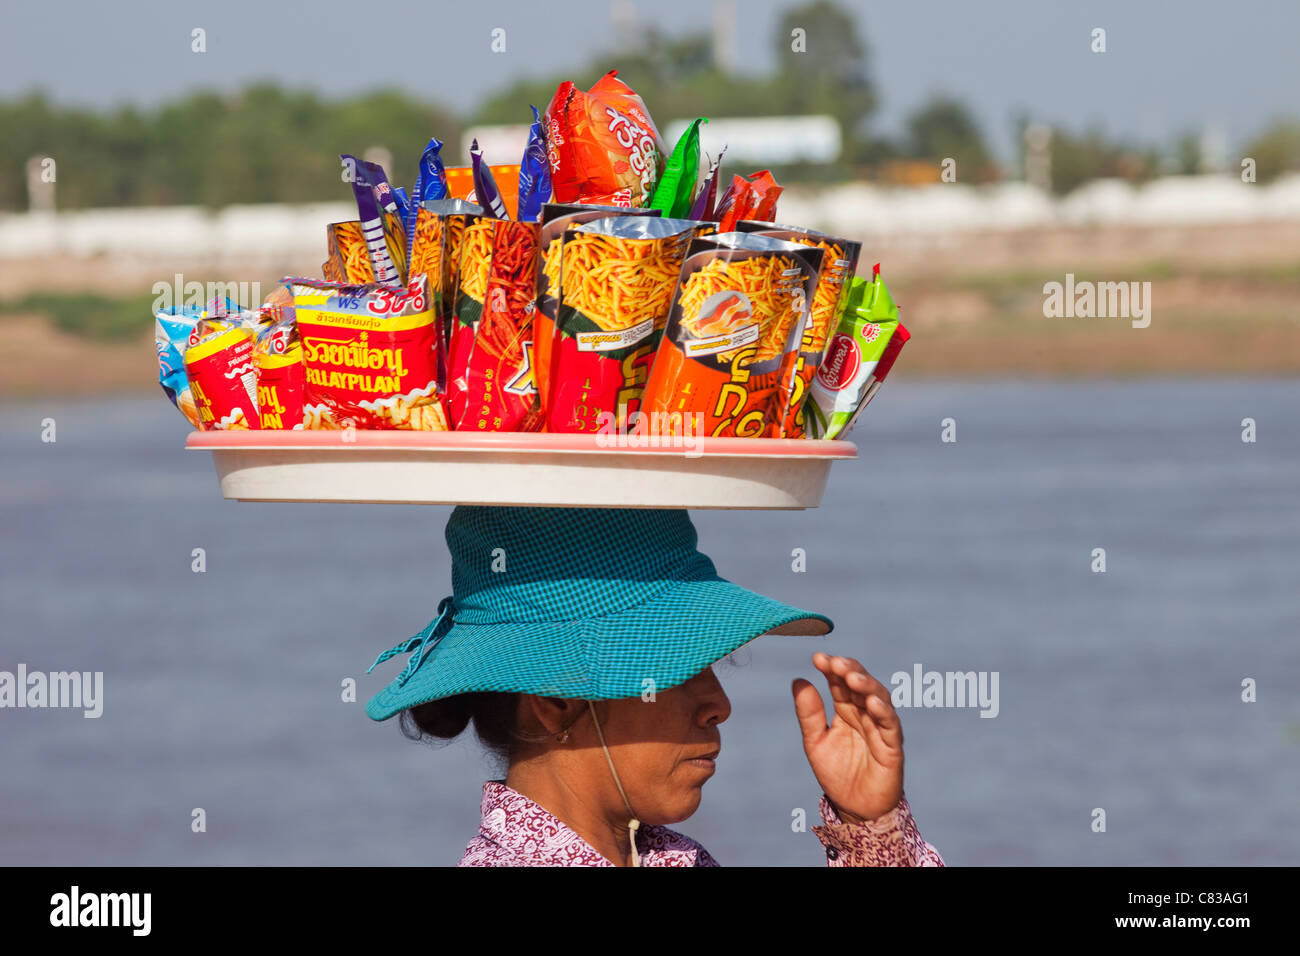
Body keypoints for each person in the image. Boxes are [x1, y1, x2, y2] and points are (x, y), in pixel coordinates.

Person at [365, 506, 944, 867]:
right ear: (557, 702)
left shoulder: (666, 858)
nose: (719, 706)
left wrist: (872, 827)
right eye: (680, 669)